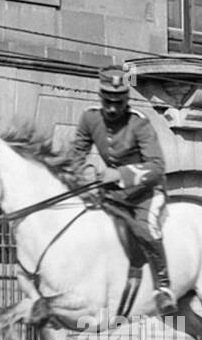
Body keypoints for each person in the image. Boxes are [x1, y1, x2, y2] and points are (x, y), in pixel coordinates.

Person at [69, 64, 175, 314]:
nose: (113, 108)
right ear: (100, 97)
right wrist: (82, 173)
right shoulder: (90, 118)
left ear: (127, 99)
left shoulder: (139, 123)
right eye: (108, 101)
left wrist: (119, 174)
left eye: (119, 101)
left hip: (146, 193)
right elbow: (76, 154)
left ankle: (163, 287)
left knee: (144, 228)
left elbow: (157, 166)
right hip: (112, 194)